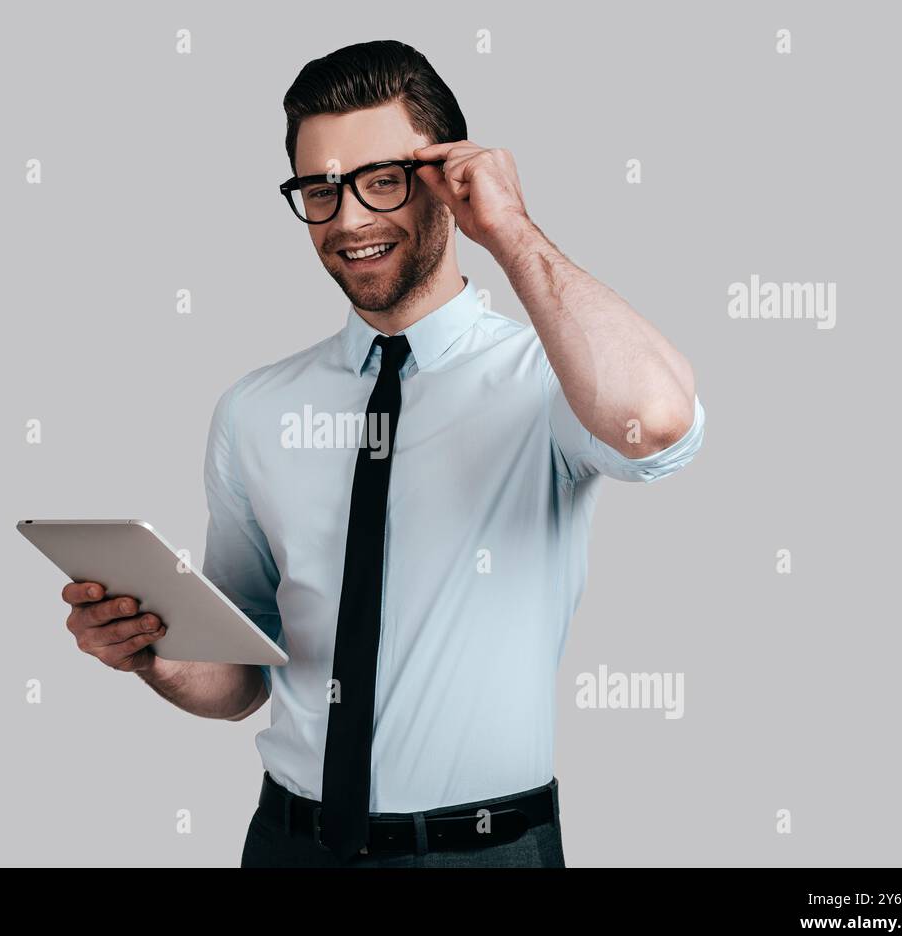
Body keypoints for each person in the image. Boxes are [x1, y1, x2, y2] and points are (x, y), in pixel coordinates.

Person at [63, 39, 705, 867]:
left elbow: (654, 422)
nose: (351, 219)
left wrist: (510, 229)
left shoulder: (547, 380)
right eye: (320, 190)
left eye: (382, 179)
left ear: (445, 175)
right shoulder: (256, 410)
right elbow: (241, 672)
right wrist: (153, 653)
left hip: (488, 852)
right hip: (290, 844)